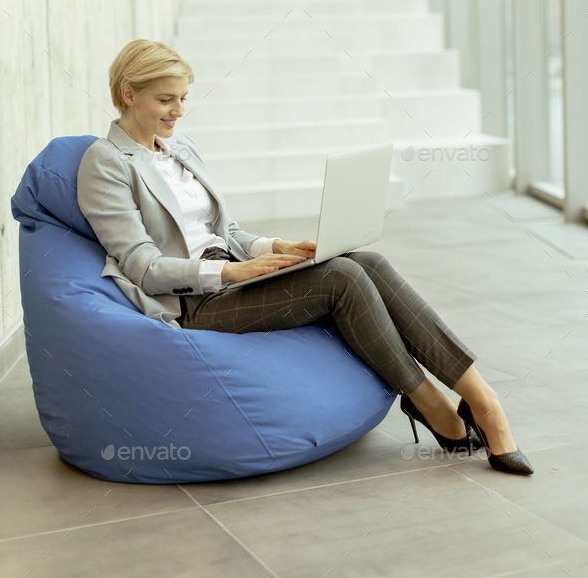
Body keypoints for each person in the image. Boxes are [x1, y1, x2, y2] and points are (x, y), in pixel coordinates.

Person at [77, 40, 533, 476]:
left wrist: (276, 248)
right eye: (166, 100)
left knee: (366, 261)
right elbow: (143, 266)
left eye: (183, 98)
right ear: (128, 93)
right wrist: (233, 270)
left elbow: (227, 231)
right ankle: (432, 401)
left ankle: (481, 398)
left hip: (235, 277)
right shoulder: (107, 162)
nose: (178, 111)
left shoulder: (182, 149)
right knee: (342, 279)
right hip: (197, 302)